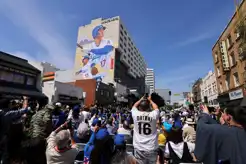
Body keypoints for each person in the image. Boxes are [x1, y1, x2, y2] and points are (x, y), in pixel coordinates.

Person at [131, 96, 160, 164]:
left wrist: (140, 99)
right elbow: (156, 108)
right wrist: (150, 101)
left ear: (140, 107)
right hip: (151, 147)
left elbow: (134, 106)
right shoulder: (153, 115)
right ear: (149, 108)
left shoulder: (135, 114)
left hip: (139, 147)